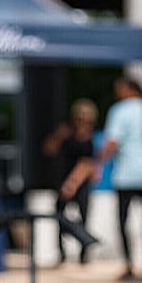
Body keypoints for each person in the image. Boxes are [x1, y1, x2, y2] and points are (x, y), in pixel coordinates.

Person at [95, 76, 142, 282]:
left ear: (127, 89)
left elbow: (112, 143)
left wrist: (97, 163)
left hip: (127, 174)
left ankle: (130, 265)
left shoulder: (120, 110)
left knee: (123, 221)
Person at [42, 98, 99, 264]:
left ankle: (84, 252)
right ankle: (62, 252)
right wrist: (57, 137)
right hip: (63, 180)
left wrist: (72, 183)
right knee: (60, 217)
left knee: (84, 217)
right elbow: (48, 149)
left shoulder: (89, 140)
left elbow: (86, 164)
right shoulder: (66, 134)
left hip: (78, 183)